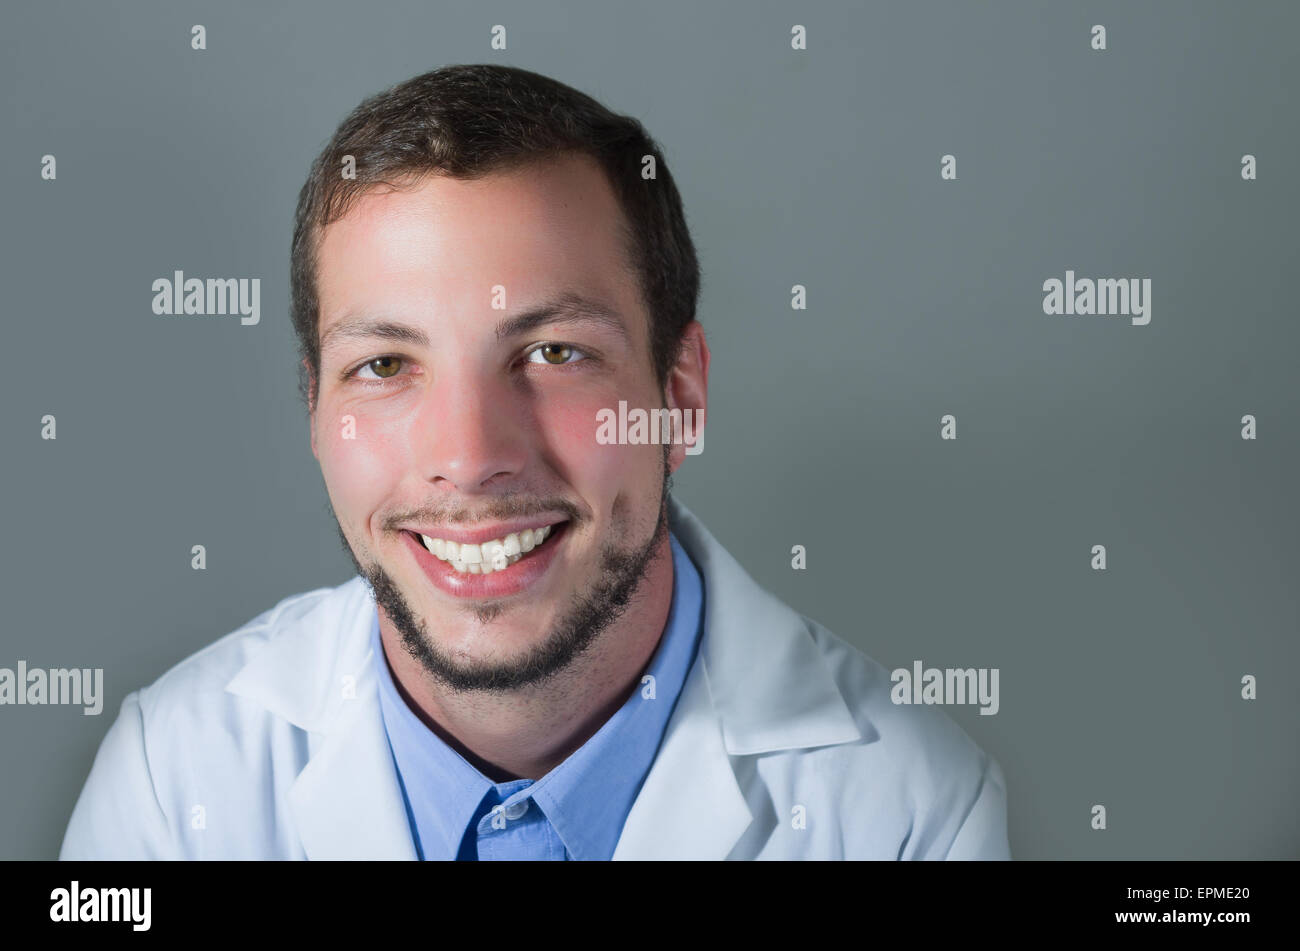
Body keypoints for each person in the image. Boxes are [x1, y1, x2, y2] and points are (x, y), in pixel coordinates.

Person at [60, 64, 1010, 860]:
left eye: (554, 352)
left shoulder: (908, 814)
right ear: (315, 410)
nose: (470, 459)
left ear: (679, 397)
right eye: (385, 365)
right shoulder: (168, 790)